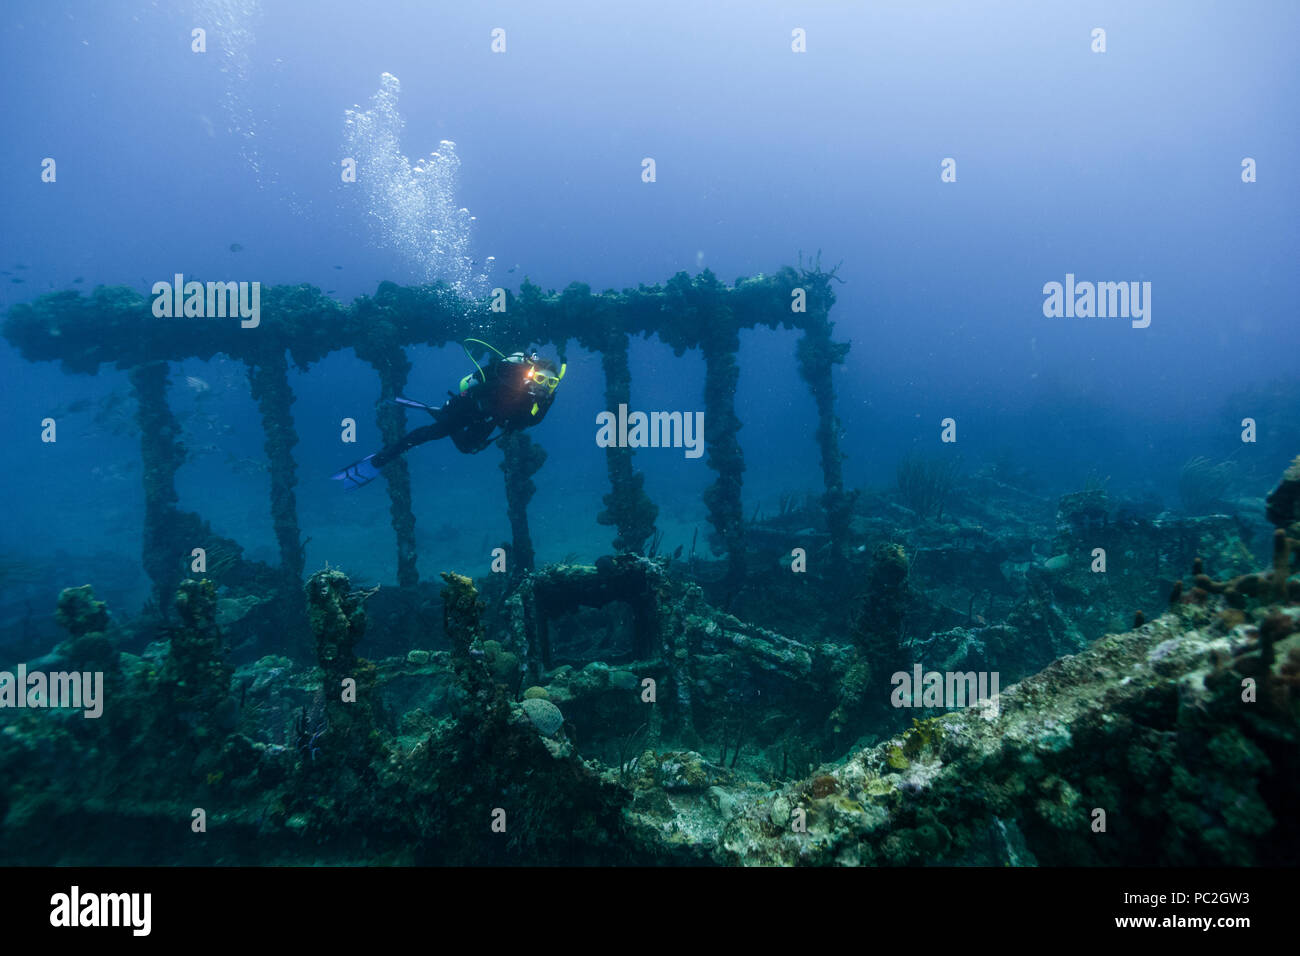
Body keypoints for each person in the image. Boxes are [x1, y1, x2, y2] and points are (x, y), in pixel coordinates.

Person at [332, 340, 565, 490]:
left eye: (550, 382)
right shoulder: (509, 379)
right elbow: (475, 391)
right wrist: (459, 407)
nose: (544, 385)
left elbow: (530, 421)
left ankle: (438, 414)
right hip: (470, 408)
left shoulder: (545, 399)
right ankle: (378, 460)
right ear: (530, 375)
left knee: (467, 448)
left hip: (491, 418)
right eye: (540, 379)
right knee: (431, 434)